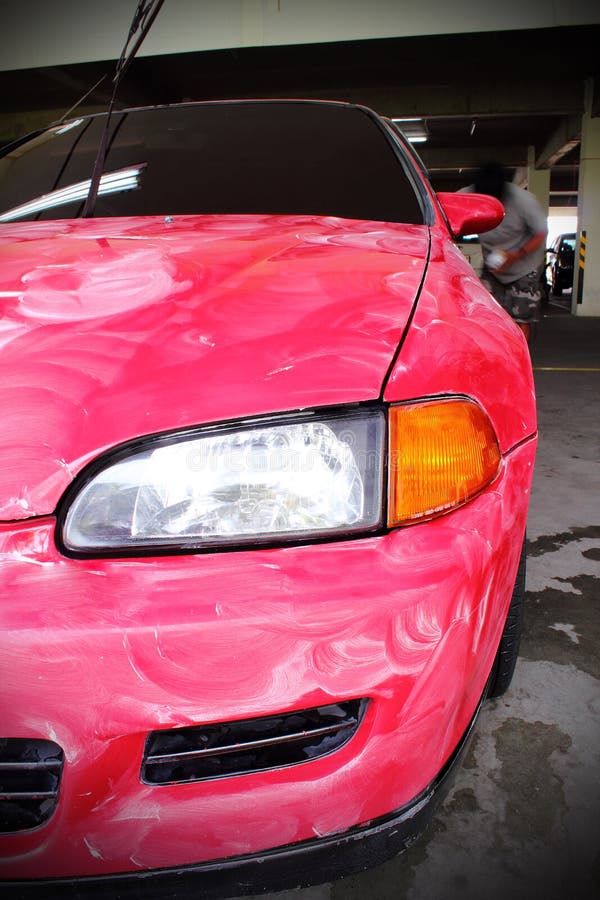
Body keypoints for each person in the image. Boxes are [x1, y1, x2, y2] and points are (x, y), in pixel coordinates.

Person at [461, 162, 548, 344]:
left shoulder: (523, 200)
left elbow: (541, 233)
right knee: (486, 313)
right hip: (493, 265)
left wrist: (515, 256)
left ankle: (518, 359)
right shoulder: (468, 195)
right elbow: (444, 215)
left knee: (521, 316)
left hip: (525, 265)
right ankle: (494, 352)